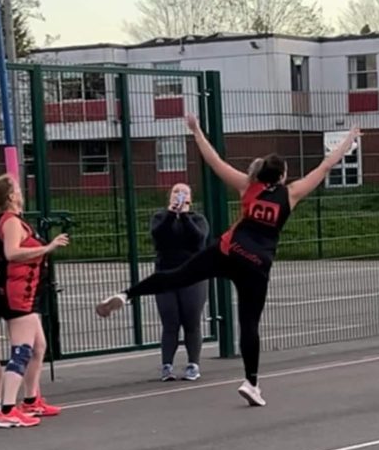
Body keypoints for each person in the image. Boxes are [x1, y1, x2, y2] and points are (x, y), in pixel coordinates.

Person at [96, 115, 360, 407]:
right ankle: (251, 383)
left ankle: (126, 294)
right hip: (256, 265)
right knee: (249, 323)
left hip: (228, 250)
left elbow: (214, 160)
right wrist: (348, 140)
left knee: (176, 275)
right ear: (282, 176)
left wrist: (196, 130)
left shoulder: (247, 186)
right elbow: (326, 165)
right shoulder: (291, 194)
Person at [0, 173, 69, 428]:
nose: (21, 191)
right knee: (22, 350)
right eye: (17, 188)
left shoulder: (16, 220)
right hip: (18, 292)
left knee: (39, 346)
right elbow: (12, 253)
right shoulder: (10, 221)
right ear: (10, 195)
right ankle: (6, 408)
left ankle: (30, 400)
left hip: (27, 290)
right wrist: (46, 248)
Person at [151, 182, 210, 382]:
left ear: (190, 198)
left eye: (184, 192)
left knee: (191, 322)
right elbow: (159, 237)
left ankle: (193, 364)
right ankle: (167, 366)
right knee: (170, 322)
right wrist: (171, 214)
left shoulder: (198, 219)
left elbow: (198, 240)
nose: (180, 194)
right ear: (170, 196)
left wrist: (184, 216)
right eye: (176, 191)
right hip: (166, 275)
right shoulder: (160, 218)